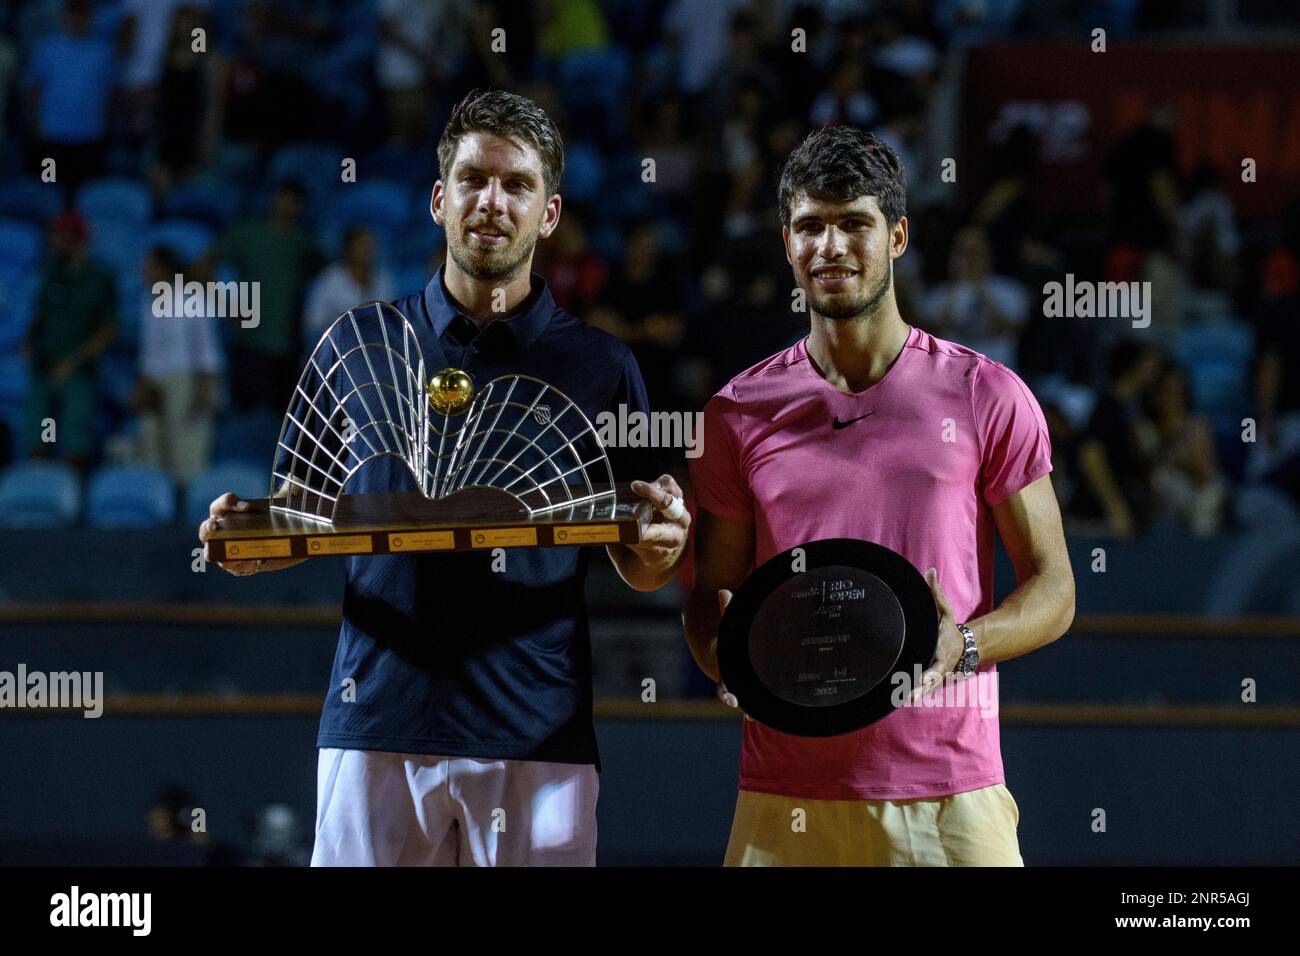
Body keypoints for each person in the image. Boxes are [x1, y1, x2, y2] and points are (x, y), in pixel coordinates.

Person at [198, 89, 690, 867]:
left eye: (517, 185)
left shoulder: (602, 366)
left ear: (549, 214)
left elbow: (640, 557)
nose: (492, 201)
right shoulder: (352, 346)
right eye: (473, 178)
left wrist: (663, 544)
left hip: (538, 737)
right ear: (438, 197)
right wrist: (244, 538)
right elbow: (295, 522)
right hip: (374, 727)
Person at [684, 126, 1075, 866]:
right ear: (787, 246)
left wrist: (960, 645)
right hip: (783, 797)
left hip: (949, 794)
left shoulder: (986, 395)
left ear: (896, 236)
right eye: (810, 227)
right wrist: (726, 659)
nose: (830, 247)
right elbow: (712, 594)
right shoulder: (735, 413)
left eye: (854, 223)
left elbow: (1055, 587)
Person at [23, 210, 117, 470]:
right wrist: (29, 342)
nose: (53, 242)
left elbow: (107, 330)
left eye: (59, 236)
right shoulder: (51, 274)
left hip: (79, 370)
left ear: (76, 239)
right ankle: (37, 487)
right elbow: (39, 317)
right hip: (44, 367)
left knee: (74, 432)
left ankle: (70, 489)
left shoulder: (99, 277)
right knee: (38, 427)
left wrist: (74, 361)